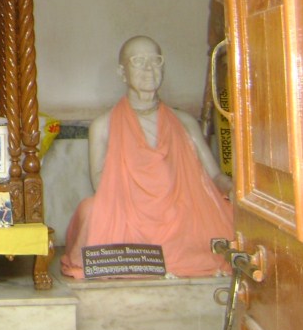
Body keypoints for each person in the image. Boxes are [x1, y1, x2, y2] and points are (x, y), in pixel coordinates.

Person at [60, 35, 234, 278]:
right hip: (129, 211)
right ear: (122, 72)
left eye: (155, 60)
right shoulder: (103, 125)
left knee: (225, 215)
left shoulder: (183, 122)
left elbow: (214, 174)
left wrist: (235, 189)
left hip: (180, 209)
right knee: (90, 211)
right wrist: (137, 205)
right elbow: (100, 182)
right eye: (139, 61)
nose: (149, 68)